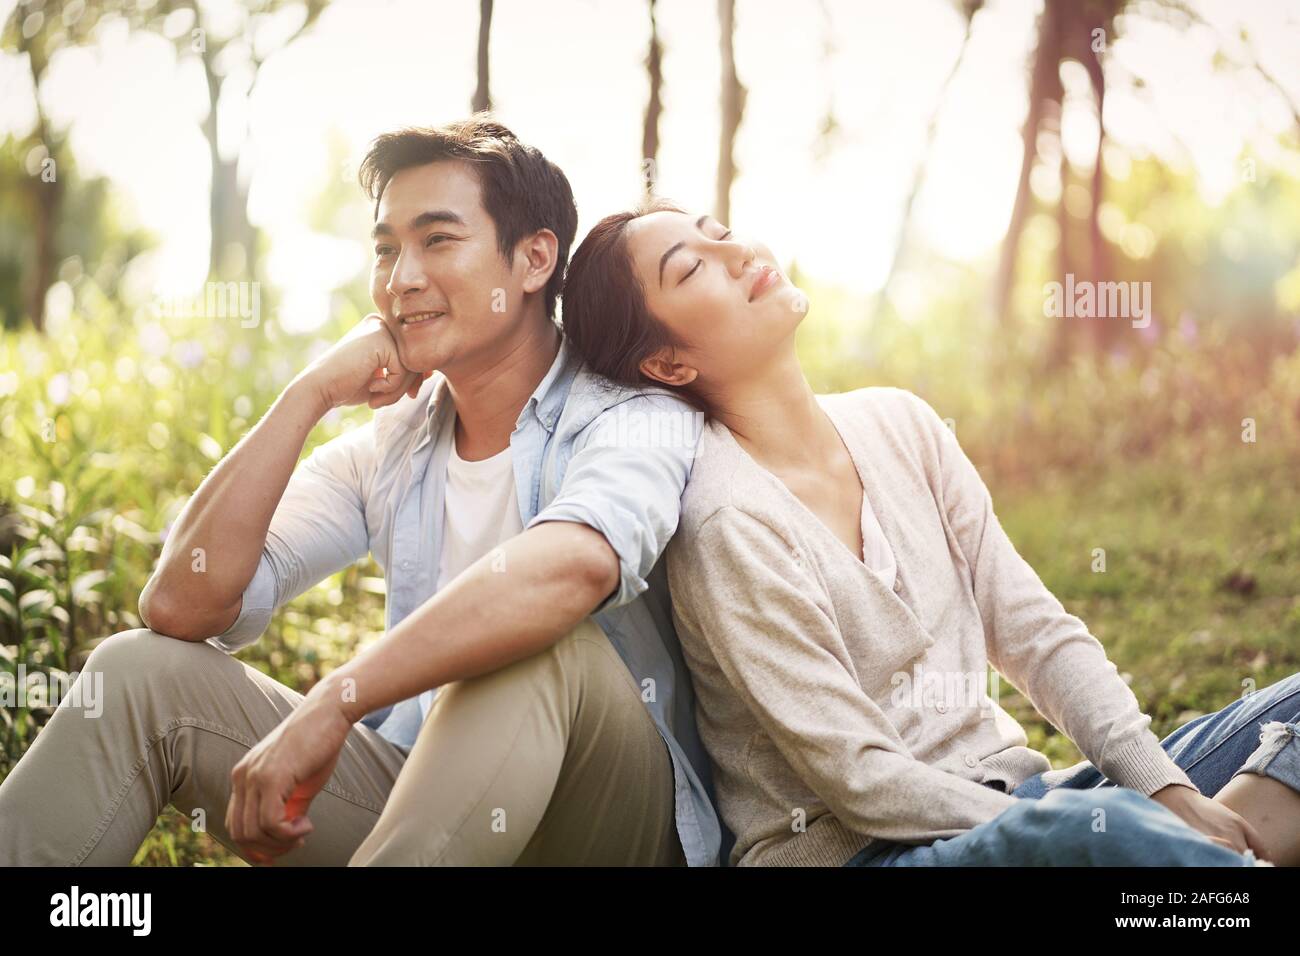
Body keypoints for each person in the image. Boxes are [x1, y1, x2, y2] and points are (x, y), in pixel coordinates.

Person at [0, 121, 722, 867]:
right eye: (385, 249)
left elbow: (573, 571)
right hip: (430, 813)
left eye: (437, 241)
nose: (400, 278)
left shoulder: (633, 417)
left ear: (535, 259)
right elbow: (183, 606)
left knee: (541, 642)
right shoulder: (398, 444)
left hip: (601, 827)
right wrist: (308, 394)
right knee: (138, 671)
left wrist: (336, 699)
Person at [557, 196, 1300, 867]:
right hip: (873, 854)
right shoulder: (726, 521)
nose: (736, 253)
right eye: (692, 268)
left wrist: (1166, 793)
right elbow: (863, 782)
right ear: (667, 361)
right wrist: (1088, 821)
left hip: (1021, 806)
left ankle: (1201, 872)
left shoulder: (901, 422)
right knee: (1092, 832)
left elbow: (1034, 631)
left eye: (721, 234)